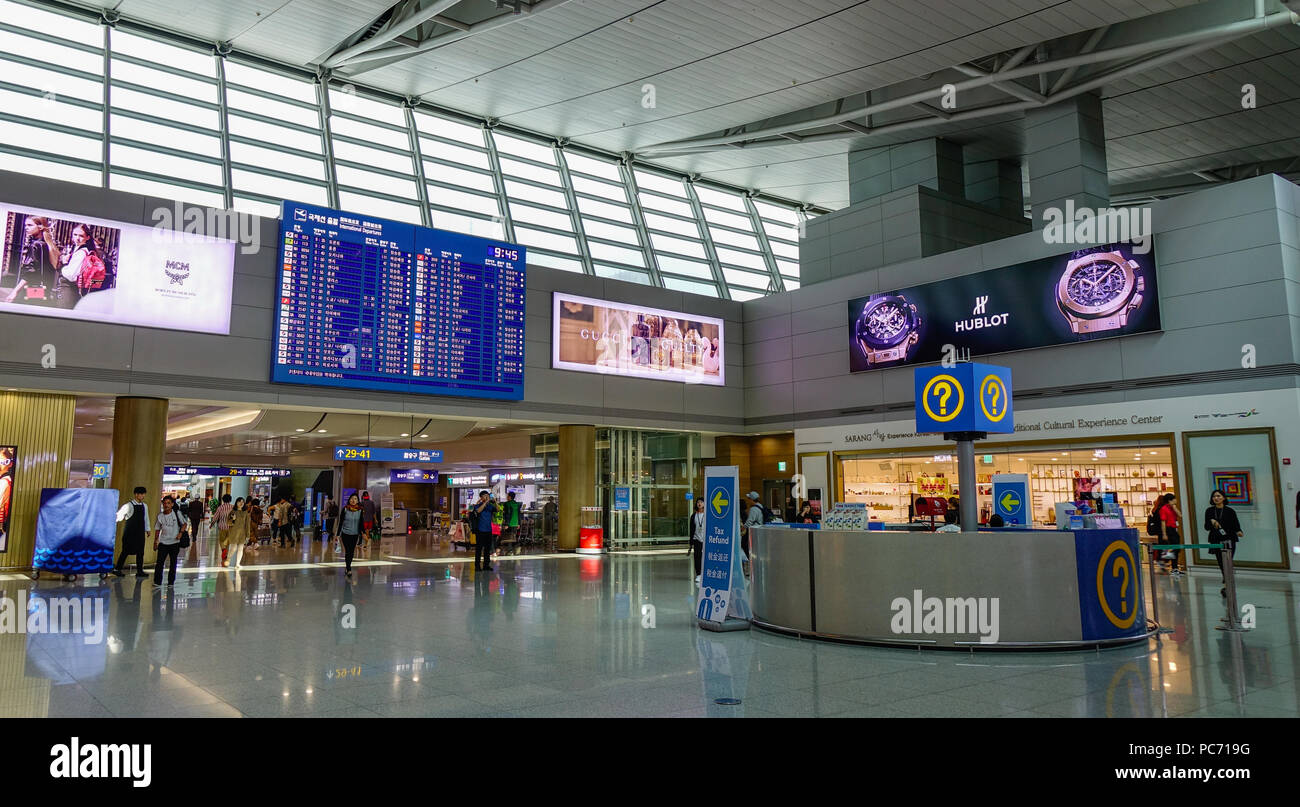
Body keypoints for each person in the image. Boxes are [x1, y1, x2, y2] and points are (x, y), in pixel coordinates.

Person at [1205, 489, 1244, 597]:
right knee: (1222, 563)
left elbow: (1236, 525)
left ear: (1223, 498)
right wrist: (1211, 522)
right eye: (1214, 496)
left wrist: (1239, 531)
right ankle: (1227, 583)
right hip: (1216, 539)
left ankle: (1228, 584)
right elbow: (1206, 527)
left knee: (1228, 562)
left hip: (1229, 539)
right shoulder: (1209, 511)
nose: (1216, 498)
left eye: (1218, 496)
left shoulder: (1230, 511)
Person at [113, 486, 150, 577]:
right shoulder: (128, 505)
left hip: (140, 533)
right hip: (129, 533)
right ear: (136, 494)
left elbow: (146, 518)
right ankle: (117, 569)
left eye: (144, 494)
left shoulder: (144, 506)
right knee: (125, 551)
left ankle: (139, 571)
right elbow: (119, 516)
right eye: (141, 494)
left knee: (140, 552)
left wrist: (148, 529)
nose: (143, 496)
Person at [152, 495, 187, 587]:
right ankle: (157, 581)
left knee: (173, 562)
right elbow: (157, 529)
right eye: (164, 503)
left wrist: (180, 533)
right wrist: (155, 542)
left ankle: (171, 582)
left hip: (174, 543)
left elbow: (184, 524)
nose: (166, 505)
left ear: (172, 504)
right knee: (159, 563)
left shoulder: (177, 513)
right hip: (163, 543)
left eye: (168, 503)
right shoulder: (160, 516)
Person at [1153, 493, 1184, 578]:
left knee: (1176, 549)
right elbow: (1163, 522)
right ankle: (1172, 567)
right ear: (1170, 500)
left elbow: (1180, 515)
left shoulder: (1172, 508)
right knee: (1173, 549)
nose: (1176, 500)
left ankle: (1173, 567)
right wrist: (1164, 534)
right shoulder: (1163, 509)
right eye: (1174, 499)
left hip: (1174, 529)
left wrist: (1174, 507)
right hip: (1168, 530)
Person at [335, 493, 364, 579]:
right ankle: (348, 568)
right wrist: (338, 535)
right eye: (351, 498)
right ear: (349, 500)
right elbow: (341, 522)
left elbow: (361, 523)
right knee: (348, 551)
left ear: (358, 501)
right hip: (345, 534)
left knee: (351, 552)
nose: (353, 500)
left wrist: (363, 534)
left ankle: (348, 566)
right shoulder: (345, 509)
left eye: (355, 499)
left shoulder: (360, 510)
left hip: (355, 534)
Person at [471, 490, 497, 571]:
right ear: (481, 497)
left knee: (487, 549)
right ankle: (477, 566)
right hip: (480, 530)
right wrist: (485, 503)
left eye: (487, 496)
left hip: (488, 530)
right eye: (485, 496)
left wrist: (495, 502)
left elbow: (498, 509)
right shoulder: (477, 506)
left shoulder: (490, 506)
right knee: (479, 549)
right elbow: (478, 511)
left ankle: (486, 565)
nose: (487, 497)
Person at [226, 497, 250, 569]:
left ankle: (237, 564)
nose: (241, 503)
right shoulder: (232, 512)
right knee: (233, 548)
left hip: (242, 533)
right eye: (239, 501)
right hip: (234, 533)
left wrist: (248, 535)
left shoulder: (245, 513)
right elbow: (228, 523)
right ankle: (228, 558)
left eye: (243, 502)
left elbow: (247, 524)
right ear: (236, 503)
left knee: (240, 548)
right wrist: (233, 520)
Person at [741, 491, 765, 558]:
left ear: (751, 499)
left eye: (748, 498)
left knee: (749, 546)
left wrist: (743, 528)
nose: (748, 500)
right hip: (760, 529)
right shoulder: (761, 506)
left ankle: (752, 560)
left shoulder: (753, 509)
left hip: (754, 530)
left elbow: (750, 521)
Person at [689, 496, 705, 583]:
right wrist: (691, 541)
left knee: (705, 557)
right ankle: (699, 574)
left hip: (706, 539)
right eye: (698, 502)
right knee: (697, 557)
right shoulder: (694, 515)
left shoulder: (708, 515)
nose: (699, 503)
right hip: (697, 539)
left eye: (701, 502)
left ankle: (705, 573)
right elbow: (691, 529)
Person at [213, 493, 233, 563]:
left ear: (223, 500)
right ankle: (226, 553)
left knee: (221, 541)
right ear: (230, 500)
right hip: (230, 527)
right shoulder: (233, 507)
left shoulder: (220, 508)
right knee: (227, 541)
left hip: (222, 526)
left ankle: (223, 550)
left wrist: (212, 524)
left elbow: (216, 517)